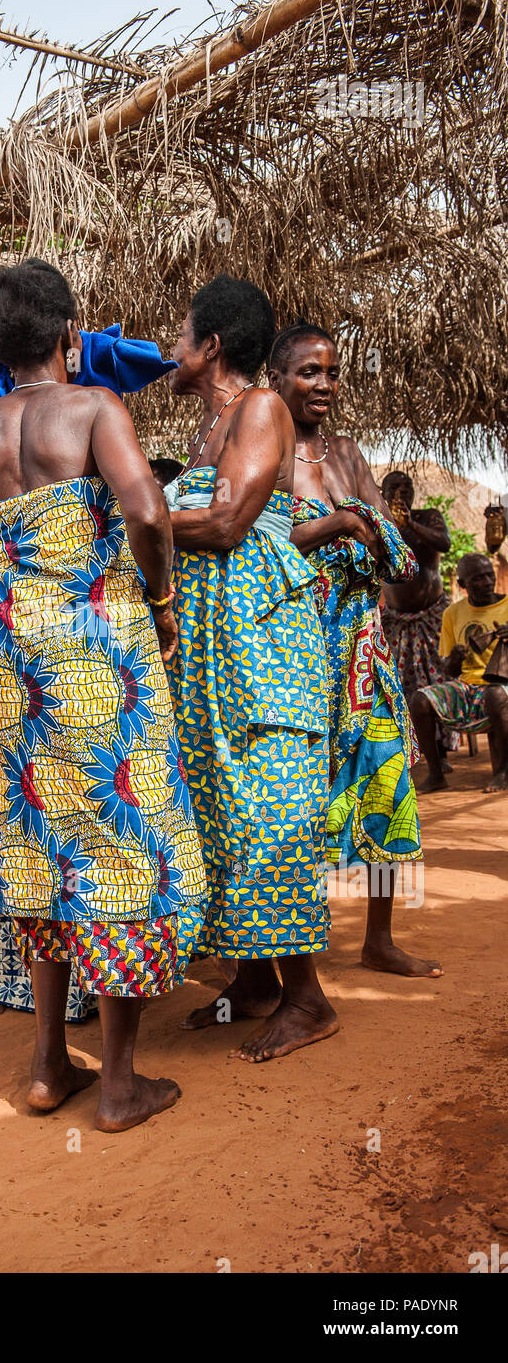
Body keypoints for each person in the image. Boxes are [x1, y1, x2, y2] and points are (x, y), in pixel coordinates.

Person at [0, 258, 208, 1132]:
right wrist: (163, 600)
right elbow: (144, 510)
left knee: (42, 849)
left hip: (14, 666)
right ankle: (120, 1084)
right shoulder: (96, 408)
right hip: (100, 655)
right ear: (70, 334)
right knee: (120, 843)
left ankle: (46, 1066)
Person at [161, 276, 335, 1063]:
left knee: (266, 814)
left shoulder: (259, 409)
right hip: (212, 656)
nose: (169, 347)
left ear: (212, 347)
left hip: (261, 654)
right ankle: (254, 981)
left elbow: (229, 522)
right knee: (224, 812)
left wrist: (134, 517)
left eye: (180, 334)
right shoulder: (207, 430)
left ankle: (307, 1000)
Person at [267, 323, 439, 980]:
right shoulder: (265, 453)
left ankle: (379, 939)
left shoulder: (345, 451)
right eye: (310, 372)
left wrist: (361, 529)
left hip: (362, 647)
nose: (325, 385)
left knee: (383, 779)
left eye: (332, 373)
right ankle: (279, 963)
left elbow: (391, 551)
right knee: (293, 799)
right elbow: (259, 543)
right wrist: (343, 524)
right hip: (294, 649)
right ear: (276, 378)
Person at [410, 552, 508, 793]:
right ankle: (436, 774)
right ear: (463, 585)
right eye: (478, 578)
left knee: (495, 694)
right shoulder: (452, 614)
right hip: (468, 686)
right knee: (420, 699)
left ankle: (504, 772)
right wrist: (454, 657)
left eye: (489, 576)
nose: (486, 582)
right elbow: (449, 671)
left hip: (503, 686)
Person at [380, 473, 454, 755]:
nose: (401, 492)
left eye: (406, 487)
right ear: (382, 491)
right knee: (401, 683)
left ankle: (442, 749)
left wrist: (410, 523)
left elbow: (444, 543)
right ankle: (413, 750)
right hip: (396, 620)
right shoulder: (378, 524)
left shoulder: (428, 517)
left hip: (433, 616)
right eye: (394, 487)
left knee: (439, 681)